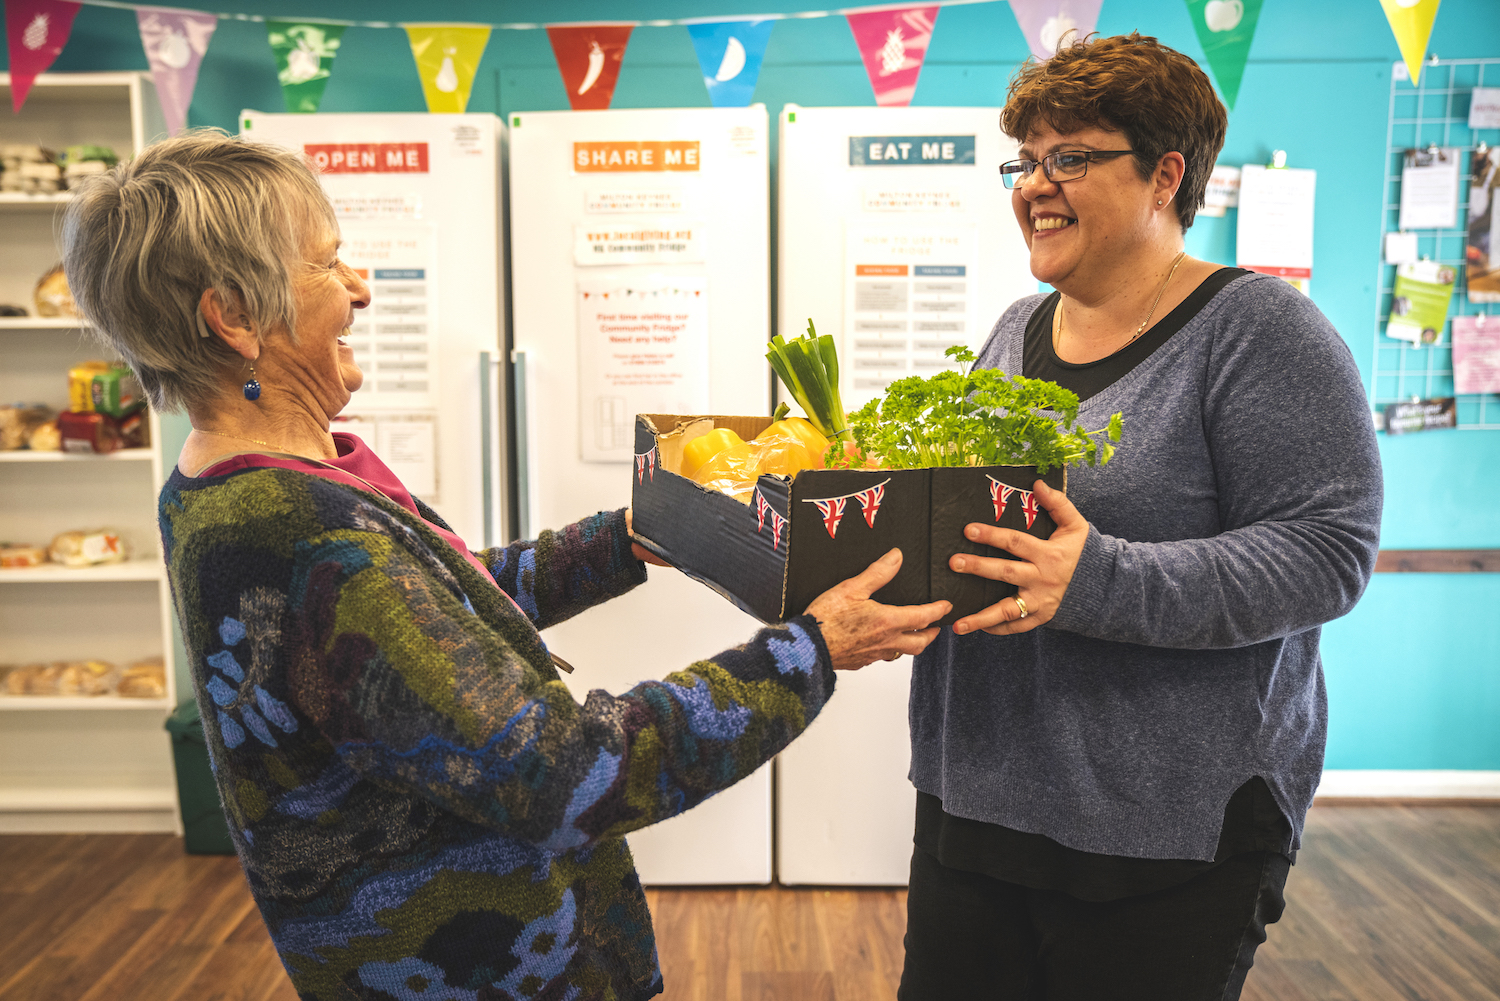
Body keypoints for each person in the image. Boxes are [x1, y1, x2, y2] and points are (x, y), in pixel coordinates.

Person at [61, 130, 949, 1001]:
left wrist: (639, 532)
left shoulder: (234, 485)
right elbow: (564, 773)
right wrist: (810, 651)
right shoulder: (298, 534)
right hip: (478, 971)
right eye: (329, 265)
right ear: (236, 316)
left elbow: (431, 615)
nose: (361, 288)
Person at [898, 34, 1383, 1001]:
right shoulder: (1013, 331)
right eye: (1026, 159)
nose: (1035, 183)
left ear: (1166, 174)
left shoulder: (1257, 332)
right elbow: (991, 533)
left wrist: (1097, 579)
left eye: (1070, 156)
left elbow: (1329, 551)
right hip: (977, 795)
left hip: (1166, 832)